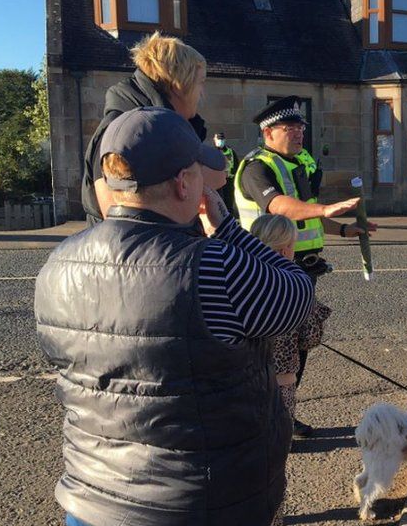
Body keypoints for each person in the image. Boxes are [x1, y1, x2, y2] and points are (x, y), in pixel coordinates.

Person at [35, 107, 315, 526]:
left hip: (97, 501)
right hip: (199, 517)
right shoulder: (213, 266)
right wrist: (226, 227)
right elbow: (296, 293)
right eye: (200, 172)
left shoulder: (58, 264)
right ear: (186, 183)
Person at [234, 96, 375, 437]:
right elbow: (281, 207)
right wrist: (326, 210)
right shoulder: (257, 168)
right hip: (270, 273)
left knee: (296, 350)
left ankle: (284, 416)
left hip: (302, 272)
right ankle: (266, 424)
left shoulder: (298, 166)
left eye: (301, 127)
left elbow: (305, 214)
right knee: (274, 353)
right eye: (290, 128)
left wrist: (343, 229)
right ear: (268, 133)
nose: (299, 133)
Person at [248, 213, 332, 526]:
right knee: (272, 469)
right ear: (285, 248)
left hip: (239, 385)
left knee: (243, 463)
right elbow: (309, 339)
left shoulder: (237, 277)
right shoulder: (295, 286)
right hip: (279, 388)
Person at [82, 32, 227, 224]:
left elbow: (218, 175)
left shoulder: (164, 126)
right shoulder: (120, 132)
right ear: (179, 84)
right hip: (141, 252)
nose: (202, 94)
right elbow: (115, 218)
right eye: (200, 82)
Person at [214, 132, 239, 214]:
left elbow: (236, 165)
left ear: (224, 140)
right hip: (217, 181)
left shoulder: (231, 151)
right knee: (219, 200)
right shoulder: (212, 151)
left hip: (229, 180)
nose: (220, 141)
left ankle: (230, 216)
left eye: (221, 139)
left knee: (229, 200)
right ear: (214, 139)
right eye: (218, 139)